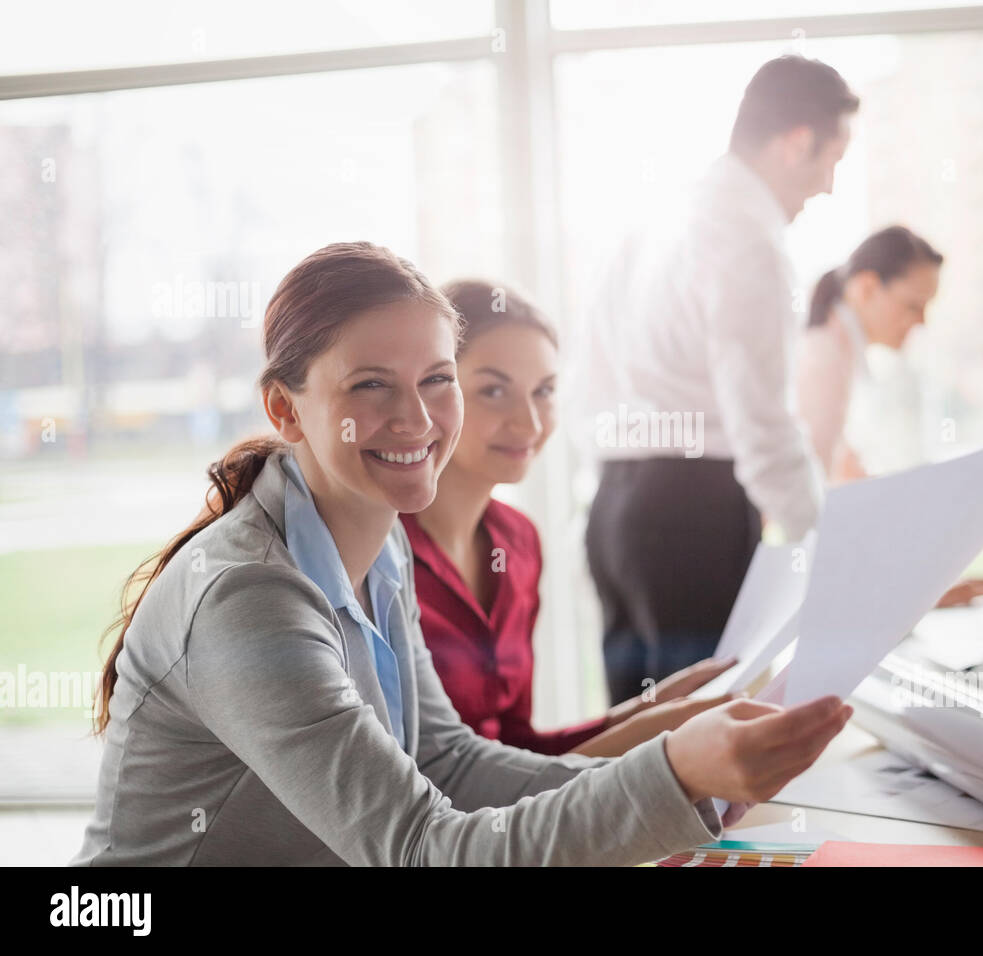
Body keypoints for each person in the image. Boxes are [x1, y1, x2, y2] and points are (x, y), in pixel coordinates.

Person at [72, 241, 851, 866]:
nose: (416, 420)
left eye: (436, 380)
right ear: (286, 409)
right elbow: (421, 847)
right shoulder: (251, 600)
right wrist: (673, 774)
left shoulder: (378, 547)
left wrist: (678, 772)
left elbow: (448, 762)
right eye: (371, 385)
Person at [575, 55, 860, 704]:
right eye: (831, 160)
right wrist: (822, 541)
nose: (829, 186)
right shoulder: (749, 241)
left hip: (615, 509)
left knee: (631, 740)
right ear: (796, 143)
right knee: (702, 746)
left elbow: (587, 378)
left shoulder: (655, 221)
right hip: (693, 515)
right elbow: (761, 419)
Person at [400, 279, 735, 759]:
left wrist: (653, 709)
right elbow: (436, 779)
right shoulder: (379, 549)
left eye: (544, 391)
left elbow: (514, 748)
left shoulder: (518, 541)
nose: (530, 423)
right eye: (494, 391)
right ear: (434, 391)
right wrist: (660, 735)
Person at [797, 226, 983, 608]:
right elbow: (818, 507)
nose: (922, 322)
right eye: (913, 305)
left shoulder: (837, 356)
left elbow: (852, 484)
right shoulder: (824, 359)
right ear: (866, 289)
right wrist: (915, 592)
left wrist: (927, 582)